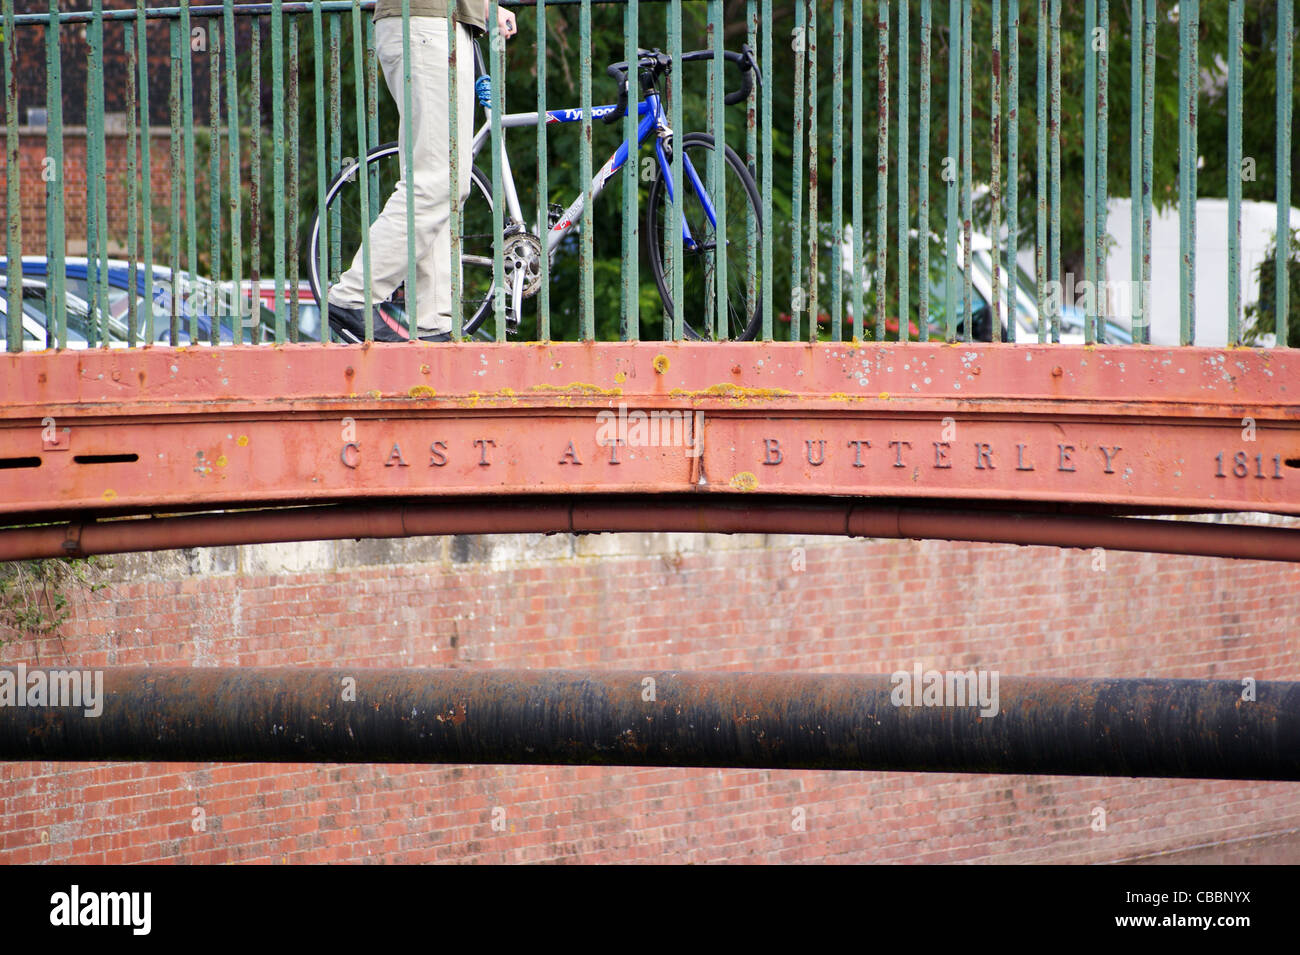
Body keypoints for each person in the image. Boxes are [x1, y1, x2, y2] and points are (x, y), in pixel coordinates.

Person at [327, 0, 516, 342]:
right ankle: (353, 296)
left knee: (436, 180)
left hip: (430, 26)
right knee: (439, 182)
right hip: (428, 27)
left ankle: (433, 323)